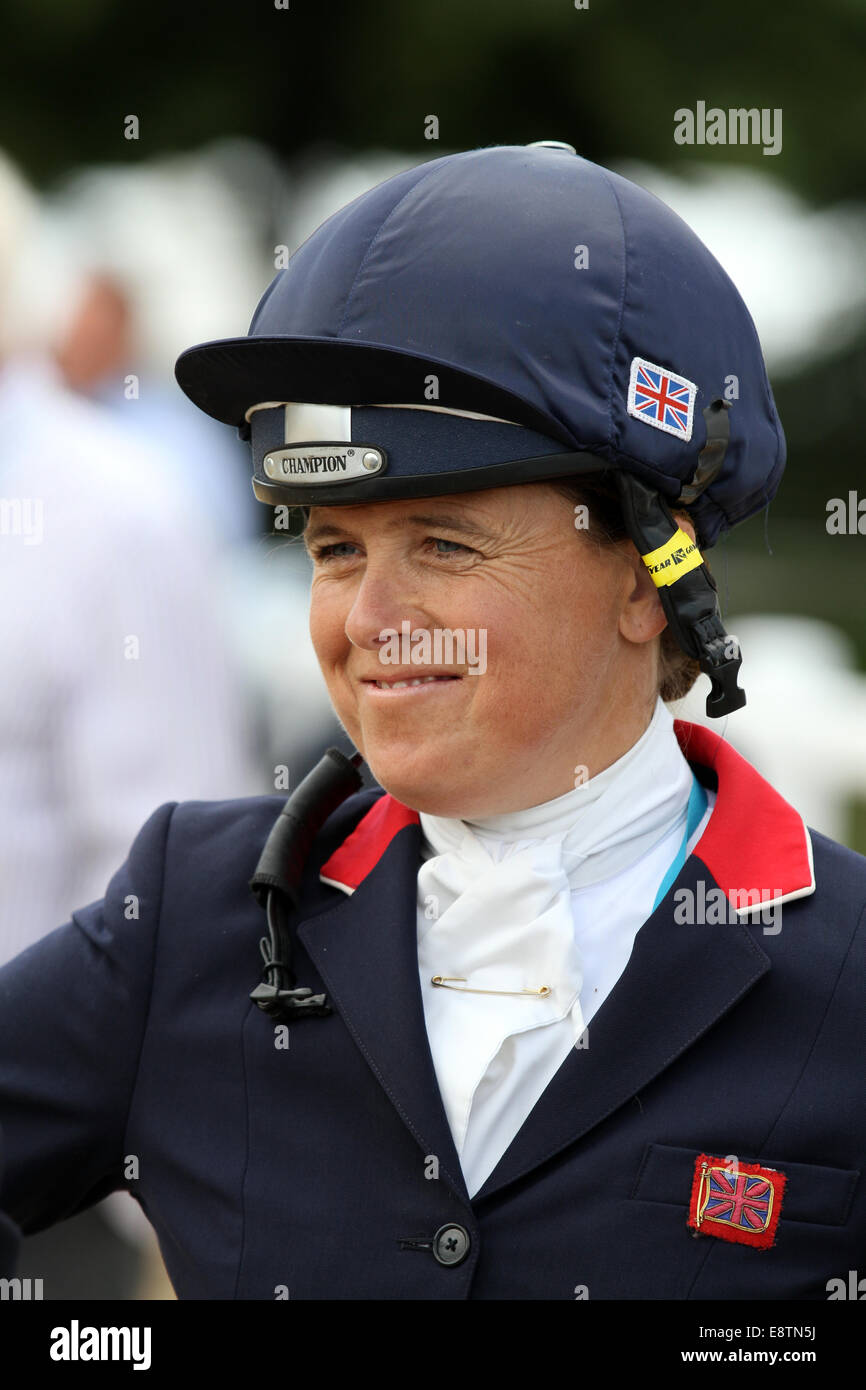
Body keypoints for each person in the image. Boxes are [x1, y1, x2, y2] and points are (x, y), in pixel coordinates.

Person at [0, 142, 863, 1301]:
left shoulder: (846, 973)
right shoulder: (190, 914)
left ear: (647, 578)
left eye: (444, 546)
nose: (369, 619)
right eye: (334, 549)